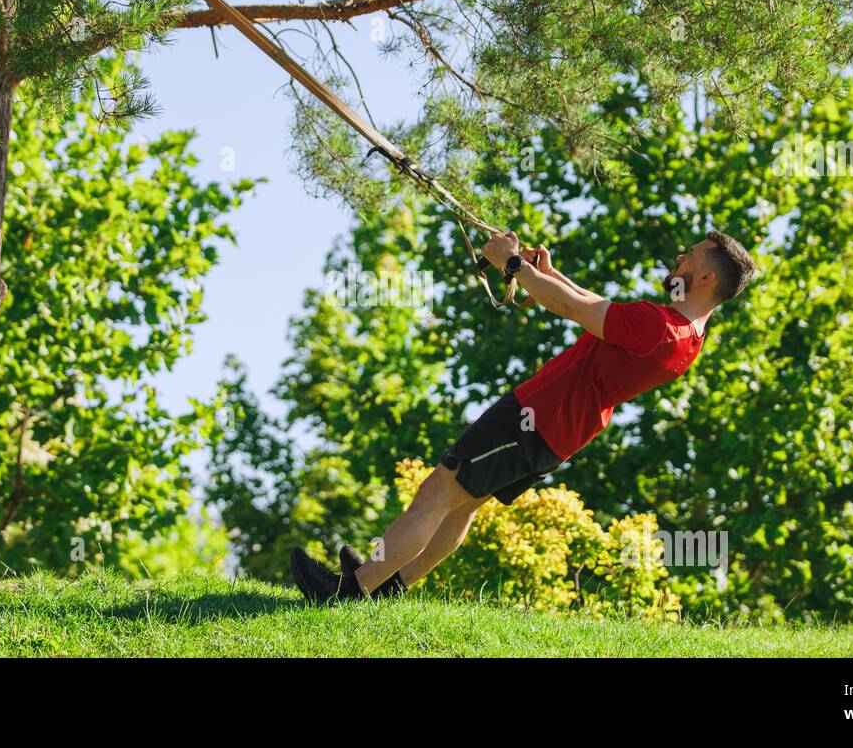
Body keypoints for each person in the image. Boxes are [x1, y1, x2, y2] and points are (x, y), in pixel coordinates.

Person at [290, 229, 758, 602]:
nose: (679, 259)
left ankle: (347, 592)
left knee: (439, 489)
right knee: (463, 503)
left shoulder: (658, 326)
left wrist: (512, 265)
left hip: (536, 414)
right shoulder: (687, 338)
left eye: (690, 257)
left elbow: (575, 309)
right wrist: (547, 274)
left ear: (705, 279)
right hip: (558, 433)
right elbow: (592, 306)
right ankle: (385, 583)